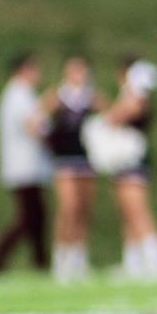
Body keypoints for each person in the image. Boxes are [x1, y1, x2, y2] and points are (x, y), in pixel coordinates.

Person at [95, 56, 157, 279]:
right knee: (126, 213)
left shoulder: (138, 94)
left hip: (133, 160)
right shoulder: (130, 93)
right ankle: (133, 263)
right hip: (122, 160)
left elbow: (119, 116)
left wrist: (105, 117)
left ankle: (155, 261)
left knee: (138, 211)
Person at [0, 52, 50, 273]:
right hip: (24, 167)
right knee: (29, 219)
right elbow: (34, 127)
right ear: (23, 70)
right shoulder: (18, 95)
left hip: (29, 167)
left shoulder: (23, 94)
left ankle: (39, 262)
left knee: (35, 218)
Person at [43, 55, 102, 282]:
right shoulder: (57, 97)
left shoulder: (92, 98)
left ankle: (79, 256)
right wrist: (49, 141)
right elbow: (35, 121)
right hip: (65, 161)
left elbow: (109, 118)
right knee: (68, 207)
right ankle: (61, 256)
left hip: (86, 162)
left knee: (84, 210)